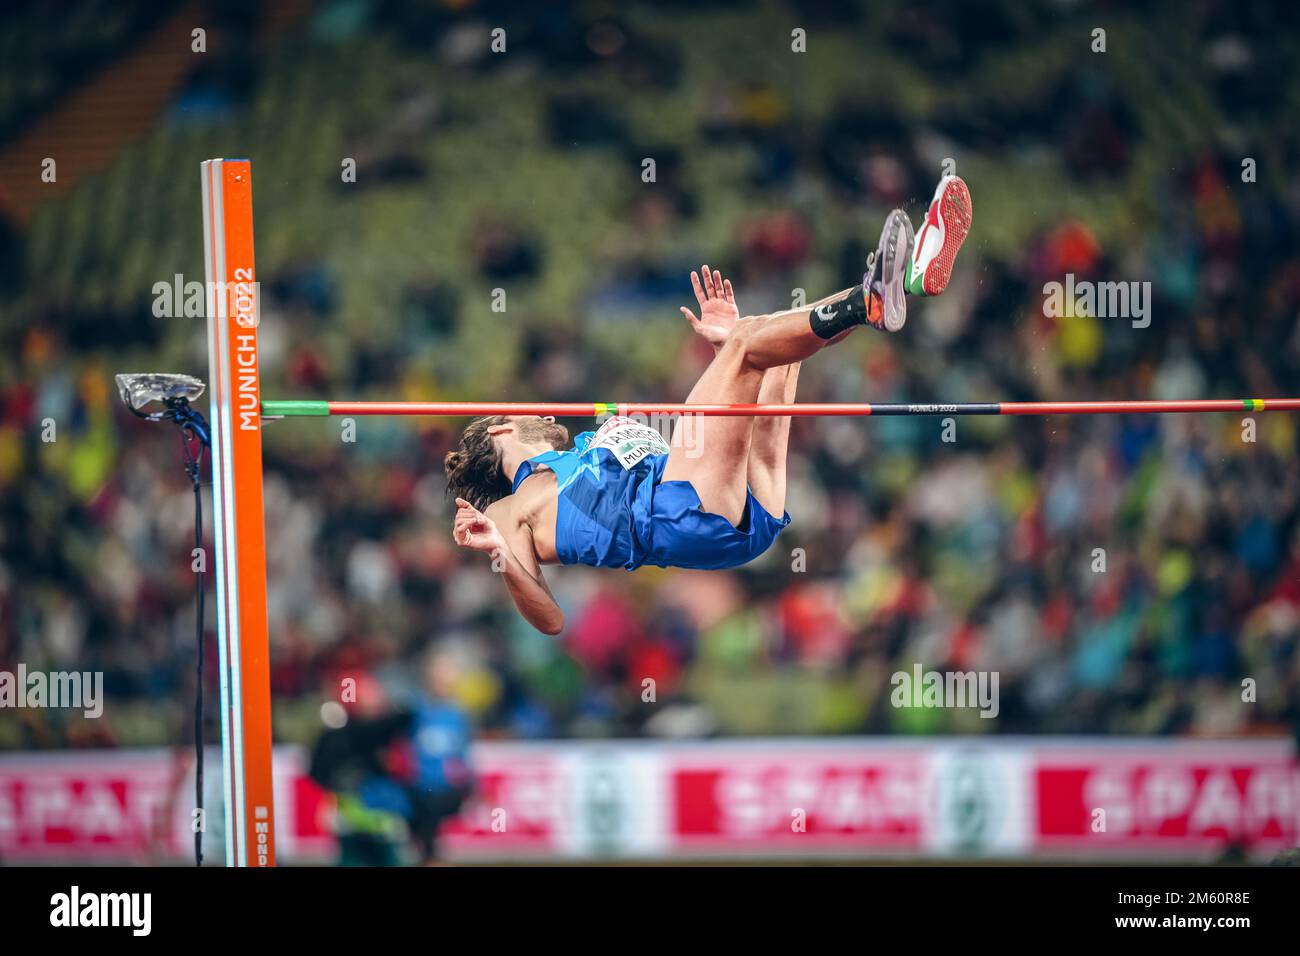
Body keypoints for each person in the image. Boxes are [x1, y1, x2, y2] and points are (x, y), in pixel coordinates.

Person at [446, 177, 973, 634]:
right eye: (522, 417)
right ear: (498, 433)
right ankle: (875, 298)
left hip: (736, 514)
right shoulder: (509, 511)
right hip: (684, 518)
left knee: (771, 349)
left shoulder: (583, 449)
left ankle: (896, 286)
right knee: (750, 342)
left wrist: (730, 351)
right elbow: (550, 620)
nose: (539, 414)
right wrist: (498, 550)